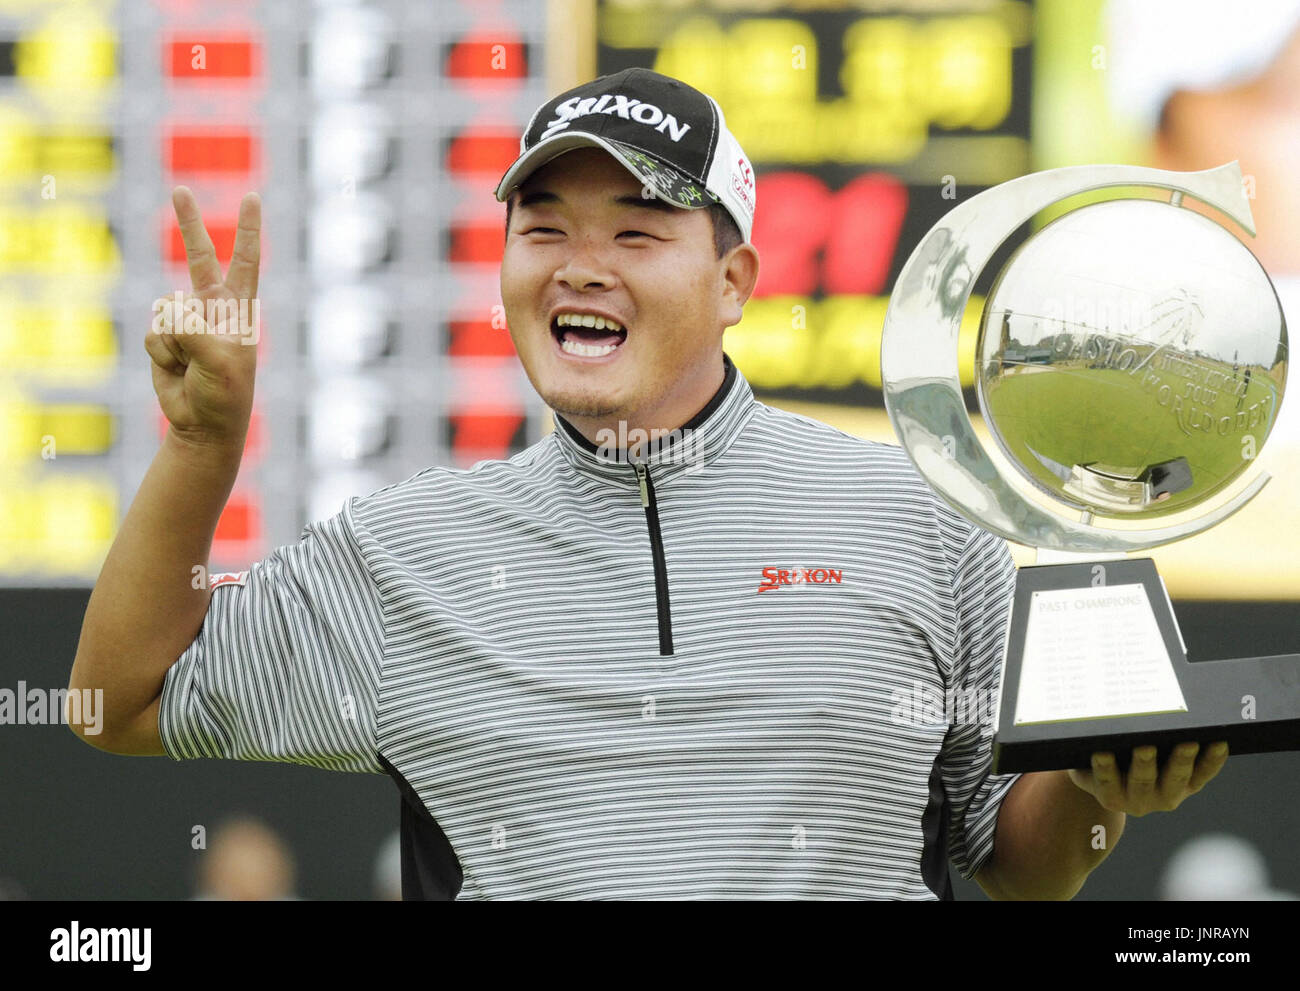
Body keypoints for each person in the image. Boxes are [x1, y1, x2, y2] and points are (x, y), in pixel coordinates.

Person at [67, 67, 1227, 900]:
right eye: (545, 226)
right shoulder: (400, 550)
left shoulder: (923, 520)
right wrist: (200, 450)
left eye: (636, 232)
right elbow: (115, 703)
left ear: (733, 280)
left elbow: (1017, 864)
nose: (581, 264)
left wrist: (1102, 786)